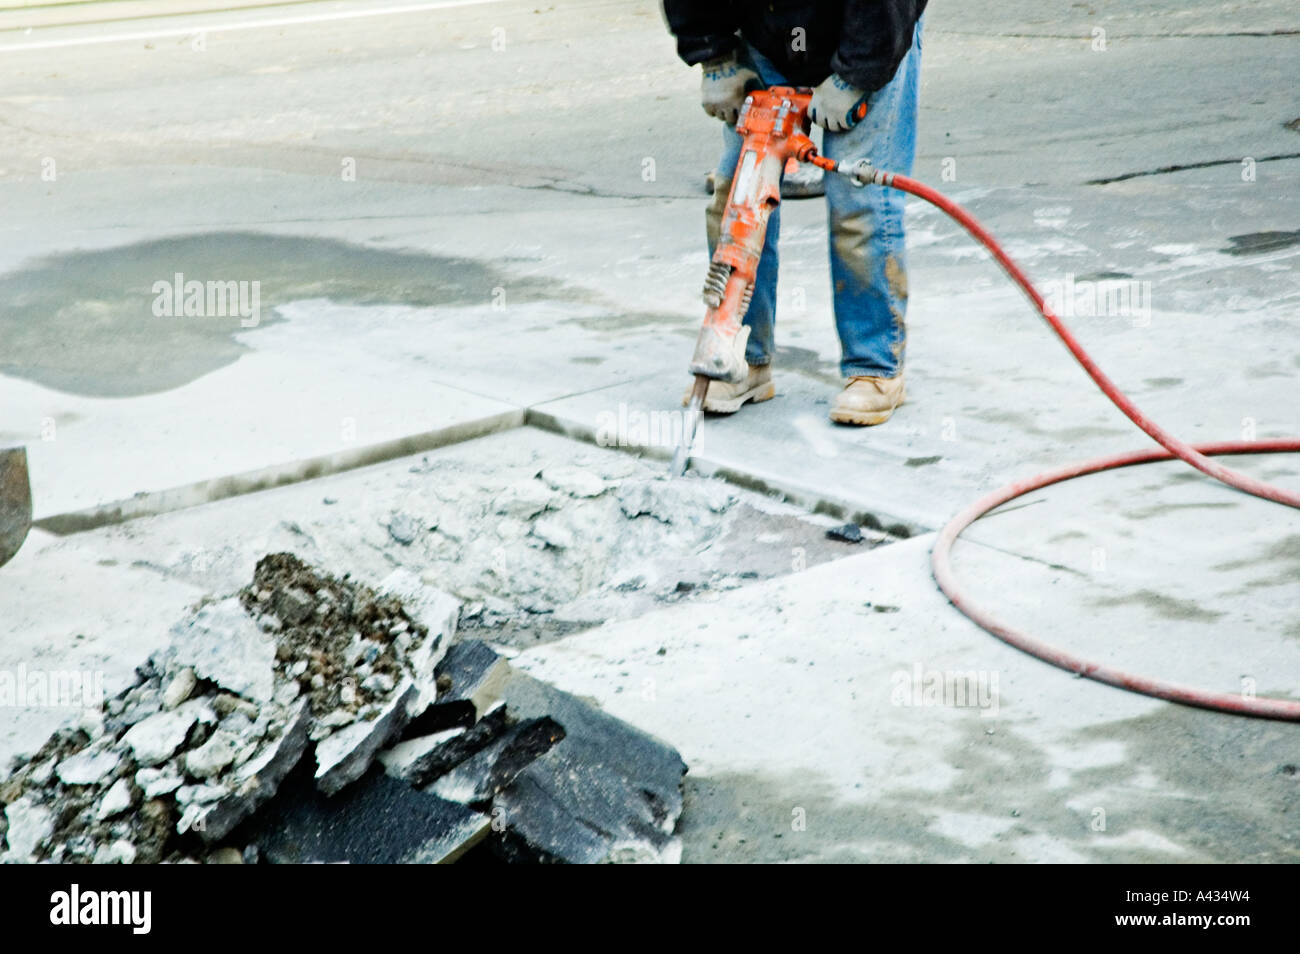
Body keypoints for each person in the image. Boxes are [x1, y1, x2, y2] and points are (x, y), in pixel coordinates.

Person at [664, 1, 926, 425]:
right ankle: (742, 361)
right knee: (740, 196)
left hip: (871, 27)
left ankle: (874, 369)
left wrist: (857, 74)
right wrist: (713, 55)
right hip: (767, 28)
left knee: (859, 202)